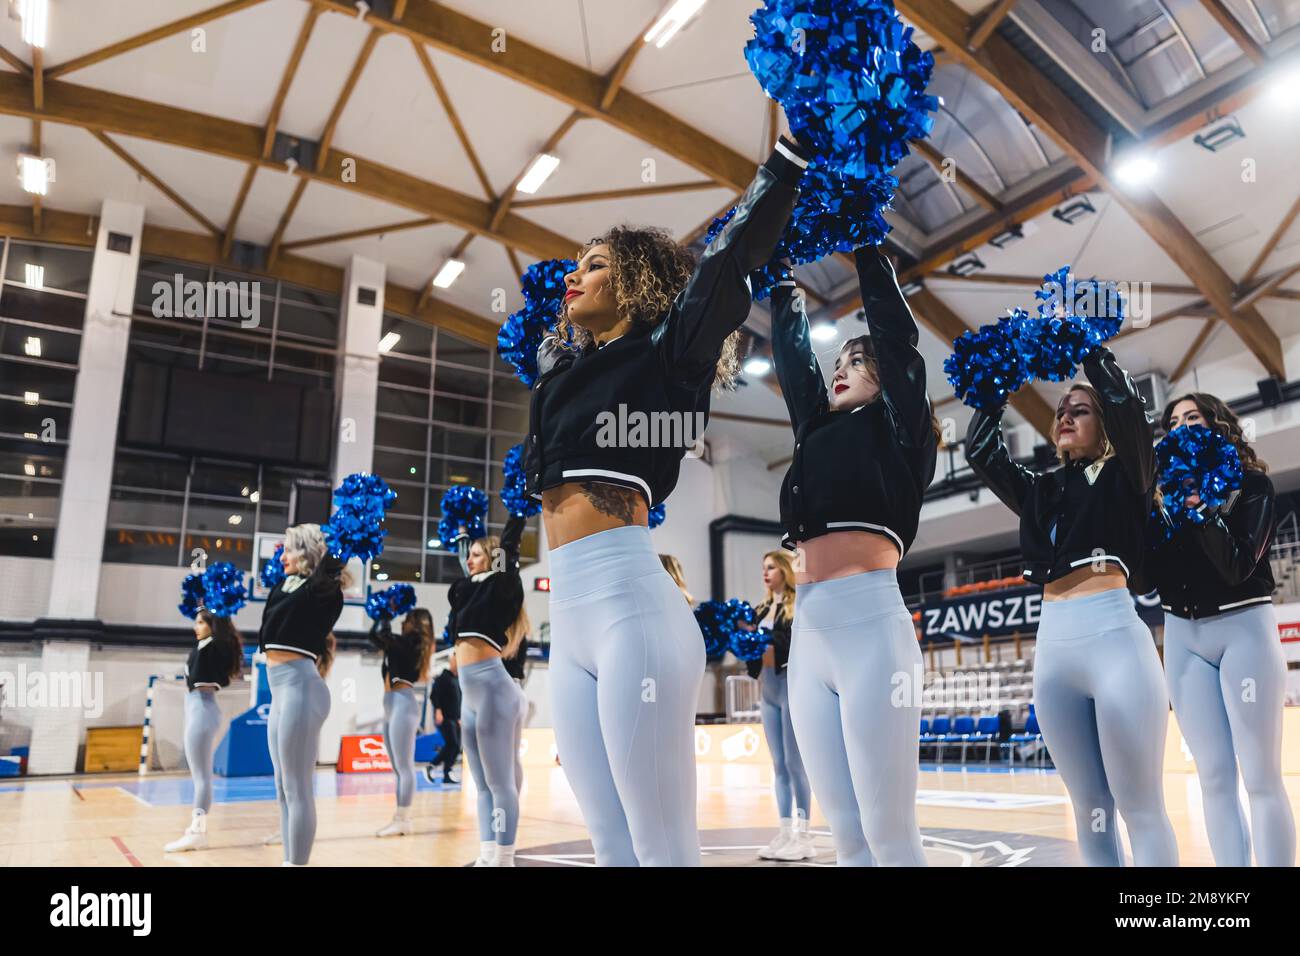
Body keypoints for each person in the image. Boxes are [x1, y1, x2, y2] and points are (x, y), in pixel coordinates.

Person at [525, 130, 811, 866]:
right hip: (573, 625)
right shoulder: (560, 376)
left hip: (635, 616)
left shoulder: (666, 356)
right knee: (612, 844)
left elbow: (728, 261)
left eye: (594, 265)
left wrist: (785, 162)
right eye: (575, 265)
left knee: (662, 847)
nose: (571, 276)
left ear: (636, 283)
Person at [965, 345, 1179, 866]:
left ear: (1104, 426)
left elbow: (1128, 409)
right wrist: (999, 381)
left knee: (1140, 804)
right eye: (1061, 410)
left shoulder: (1130, 472)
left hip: (1114, 639)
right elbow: (980, 451)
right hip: (1054, 647)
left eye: (1079, 410)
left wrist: (1088, 352)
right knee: (1090, 808)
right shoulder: (1041, 489)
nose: (1064, 416)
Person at [769, 249, 939, 866]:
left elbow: (897, 339)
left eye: (856, 361)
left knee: (889, 828)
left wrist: (867, 250)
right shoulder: (812, 430)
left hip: (873, 630)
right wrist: (782, 282)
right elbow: (794, 364)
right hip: (810, 635)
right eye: (837, 361)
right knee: (843, 831)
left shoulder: (902, 431)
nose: (840, 369)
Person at [1145, 393, 1295, 866]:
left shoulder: (1252, 486)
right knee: (1211, 775)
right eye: (1173, 422)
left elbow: (1235, 566)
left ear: (1218, 424)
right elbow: (1147, 580)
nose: (1182, 427)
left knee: (1260, 775)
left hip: (1243, 627)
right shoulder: (1162, 496)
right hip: (1183, 636)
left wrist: (1200, 505)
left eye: (1193, 417)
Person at [256, 524, 345, 866]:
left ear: (307, 554)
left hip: (301, 689)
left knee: (297, 788)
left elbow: (331, 567)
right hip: (280, 691)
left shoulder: (322, 589)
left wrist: (347, 534)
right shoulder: (283, 585)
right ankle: (289, 860)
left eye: (290, 550)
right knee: (282, 788)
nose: (283, 556)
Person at [449, 517, 531, 867]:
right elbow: (464, 573)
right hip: (470, 694)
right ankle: (486, 854)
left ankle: (504, 856)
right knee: (481, 785)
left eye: (478, 555)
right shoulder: (468, 590)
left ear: (493, 558)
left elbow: (507, 554)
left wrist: (516, 514)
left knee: (500, 784)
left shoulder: (501, 585)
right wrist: (464, 536)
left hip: (496, 690)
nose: (470, 558)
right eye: (470, 554)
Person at [746, 550, 813, 862]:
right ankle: (785, 831)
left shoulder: (796, 606)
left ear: (785, 570)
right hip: (768, 692)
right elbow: (752, 657)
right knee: (778, 765)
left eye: (771, 567)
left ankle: (805, 835)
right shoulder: (760, 609)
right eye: (763, 568)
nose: (766, 572)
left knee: (795, 764)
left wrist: (763, 637)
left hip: (790, 689)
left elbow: (792, 645)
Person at [164, 608, 243, 852]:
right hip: (198, 710)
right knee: (199, 775)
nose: (195, 627)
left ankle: (198, 831)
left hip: (203, 711)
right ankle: (196, 828)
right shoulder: (204, 646)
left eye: (200, 622)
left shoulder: (214, 646)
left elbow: (221, 630)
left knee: (201, 776)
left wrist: (217, 603)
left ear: (212, 625)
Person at [370, 606, 435, 837]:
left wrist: (387, 613)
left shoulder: (414, 642)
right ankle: (401, 818)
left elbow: (384, 637)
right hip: (391, 702)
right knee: (398, 768)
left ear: (416, 624)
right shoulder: (402, 642)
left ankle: (403, 818)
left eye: (406, 619)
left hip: (403, 704)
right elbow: (376, 637)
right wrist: (381, 614)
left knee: (405, 767)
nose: (402, 622)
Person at [427, 654, 462, 784]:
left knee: (457, 746)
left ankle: (446, 773)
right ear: (451, 662)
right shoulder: (443, 677)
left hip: (455, 718)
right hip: (445, 718)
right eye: (455, 661)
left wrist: (459, 717)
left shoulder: (456, 679)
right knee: (452, 743)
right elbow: (434, 695)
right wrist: (438, 710)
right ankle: (434, 766)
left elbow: (458, 701)